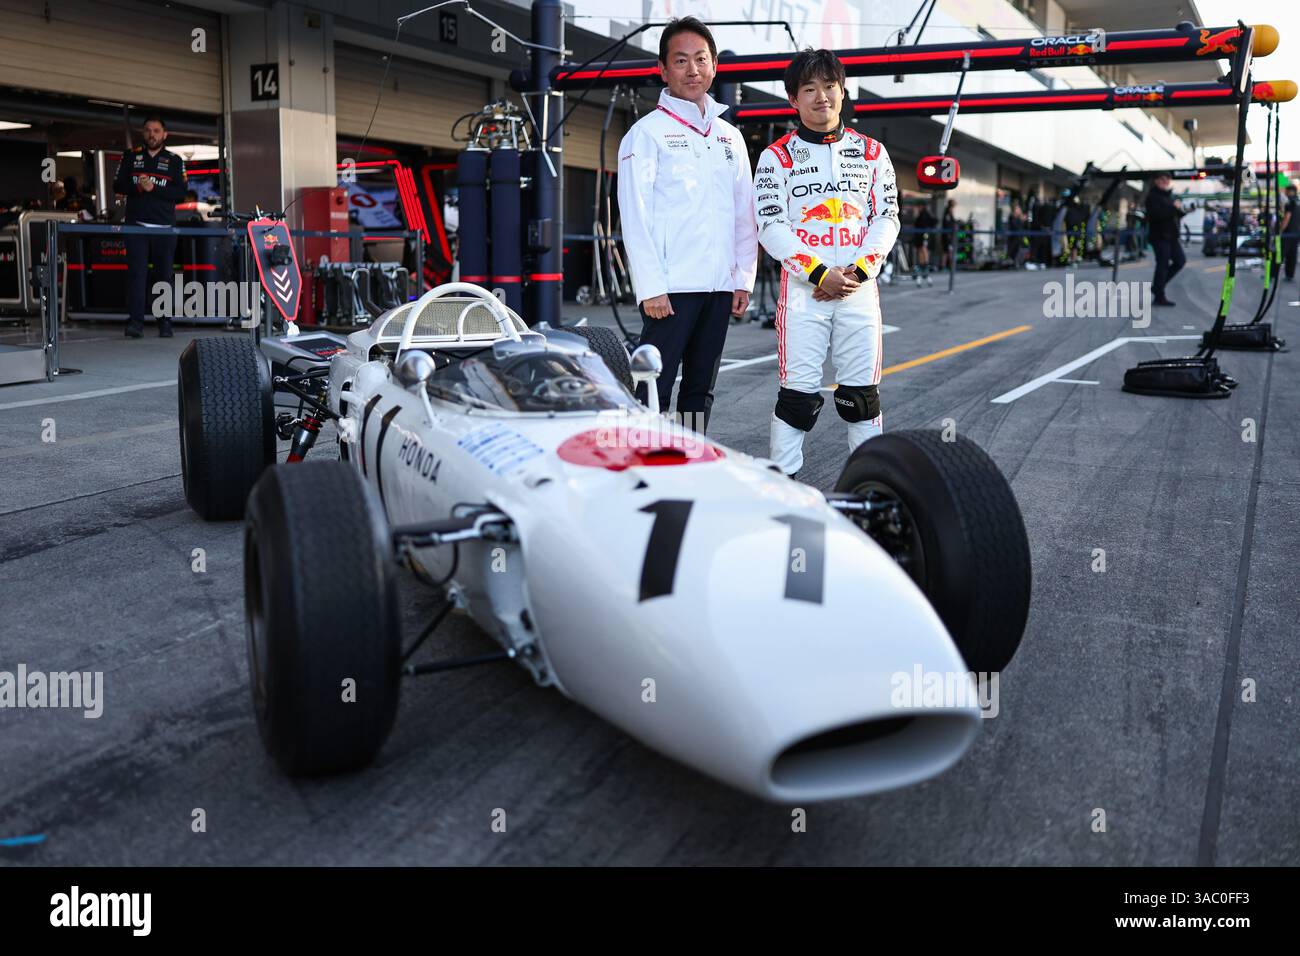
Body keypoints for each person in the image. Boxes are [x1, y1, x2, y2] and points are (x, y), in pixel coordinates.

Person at [753, 48, 899, 477]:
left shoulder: (873, 153)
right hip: (803, 294)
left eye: (829, 87)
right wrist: (819, 273)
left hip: (858, 290)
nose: (822, 98)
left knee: (862, 398)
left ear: (843, 90)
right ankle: (782, 487)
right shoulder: (775, 158)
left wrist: (856, 271)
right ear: (792, 100)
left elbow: (887, 217)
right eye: (809, 89)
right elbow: (770, 226)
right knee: (797, 399)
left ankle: (871, 488)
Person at [616, 17, 757, 434]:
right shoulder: (646, 135)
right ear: (663, 69)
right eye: (681, 61)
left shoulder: (730, 137)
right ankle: (641, 461)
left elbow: (743, 215)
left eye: (700, 59)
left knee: (700, 388)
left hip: (718, 288)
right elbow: (635, 215)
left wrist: (742, 278)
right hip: (671, 290)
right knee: (652, 384)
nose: (692, 70)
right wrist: (651, 286)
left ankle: (690, 458)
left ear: (714, 66)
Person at [113, 115, 187, 337]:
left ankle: (165, 322)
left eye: (156, 130)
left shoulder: (174, 161)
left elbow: (181, 194)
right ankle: (135, 323)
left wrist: (153, 188)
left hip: (164, 227)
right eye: (148, 130)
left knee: (164, 276)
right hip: (136, 226)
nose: (152, 134)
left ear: (165, 134)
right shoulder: (130, 156)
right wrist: (139, 188)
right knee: (137, 274)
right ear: (143, 133)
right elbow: (118, 184)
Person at [1144, 172, 1186, 306]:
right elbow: (1156, 215)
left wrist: (1181, 209)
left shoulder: (1169, 196)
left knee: (1180, 261)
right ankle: (1159, 295)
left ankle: (1157, 287)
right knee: (1162, 265)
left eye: (1167, 179)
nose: (1165, 181)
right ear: (1156, 181)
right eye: (1162, 179)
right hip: (1159, 236)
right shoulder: (1152, 196)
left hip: (1172, 236)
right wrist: (1173, 208)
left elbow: (1175, 214)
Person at [912, 204, 936, 284]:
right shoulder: (920, 215)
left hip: (923, 236)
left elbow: (933, 221)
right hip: (919, 237)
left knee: (923, 250)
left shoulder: (925, 215)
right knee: (920, 251)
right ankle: (923, 268)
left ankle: (925, 268)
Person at [1281, 183, 1298, 281]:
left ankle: (1272, 274)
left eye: (1286, 191)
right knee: (1292, 255)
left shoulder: (1290, 203)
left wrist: (1280, 230)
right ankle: (1289, 275)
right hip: (1296, 234)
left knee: (1279, 253)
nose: (1285, 193)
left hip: (1287, 234)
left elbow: (1287, 218)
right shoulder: (1298, 202)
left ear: (1291, 191)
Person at [940, 198, 957, 270]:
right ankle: (945, 266)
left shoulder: (948, 212)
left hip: (948, 235)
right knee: (947, 251)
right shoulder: (947, 212)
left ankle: (948, 266)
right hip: (947, 235)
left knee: (948, 251)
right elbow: (948, 224)